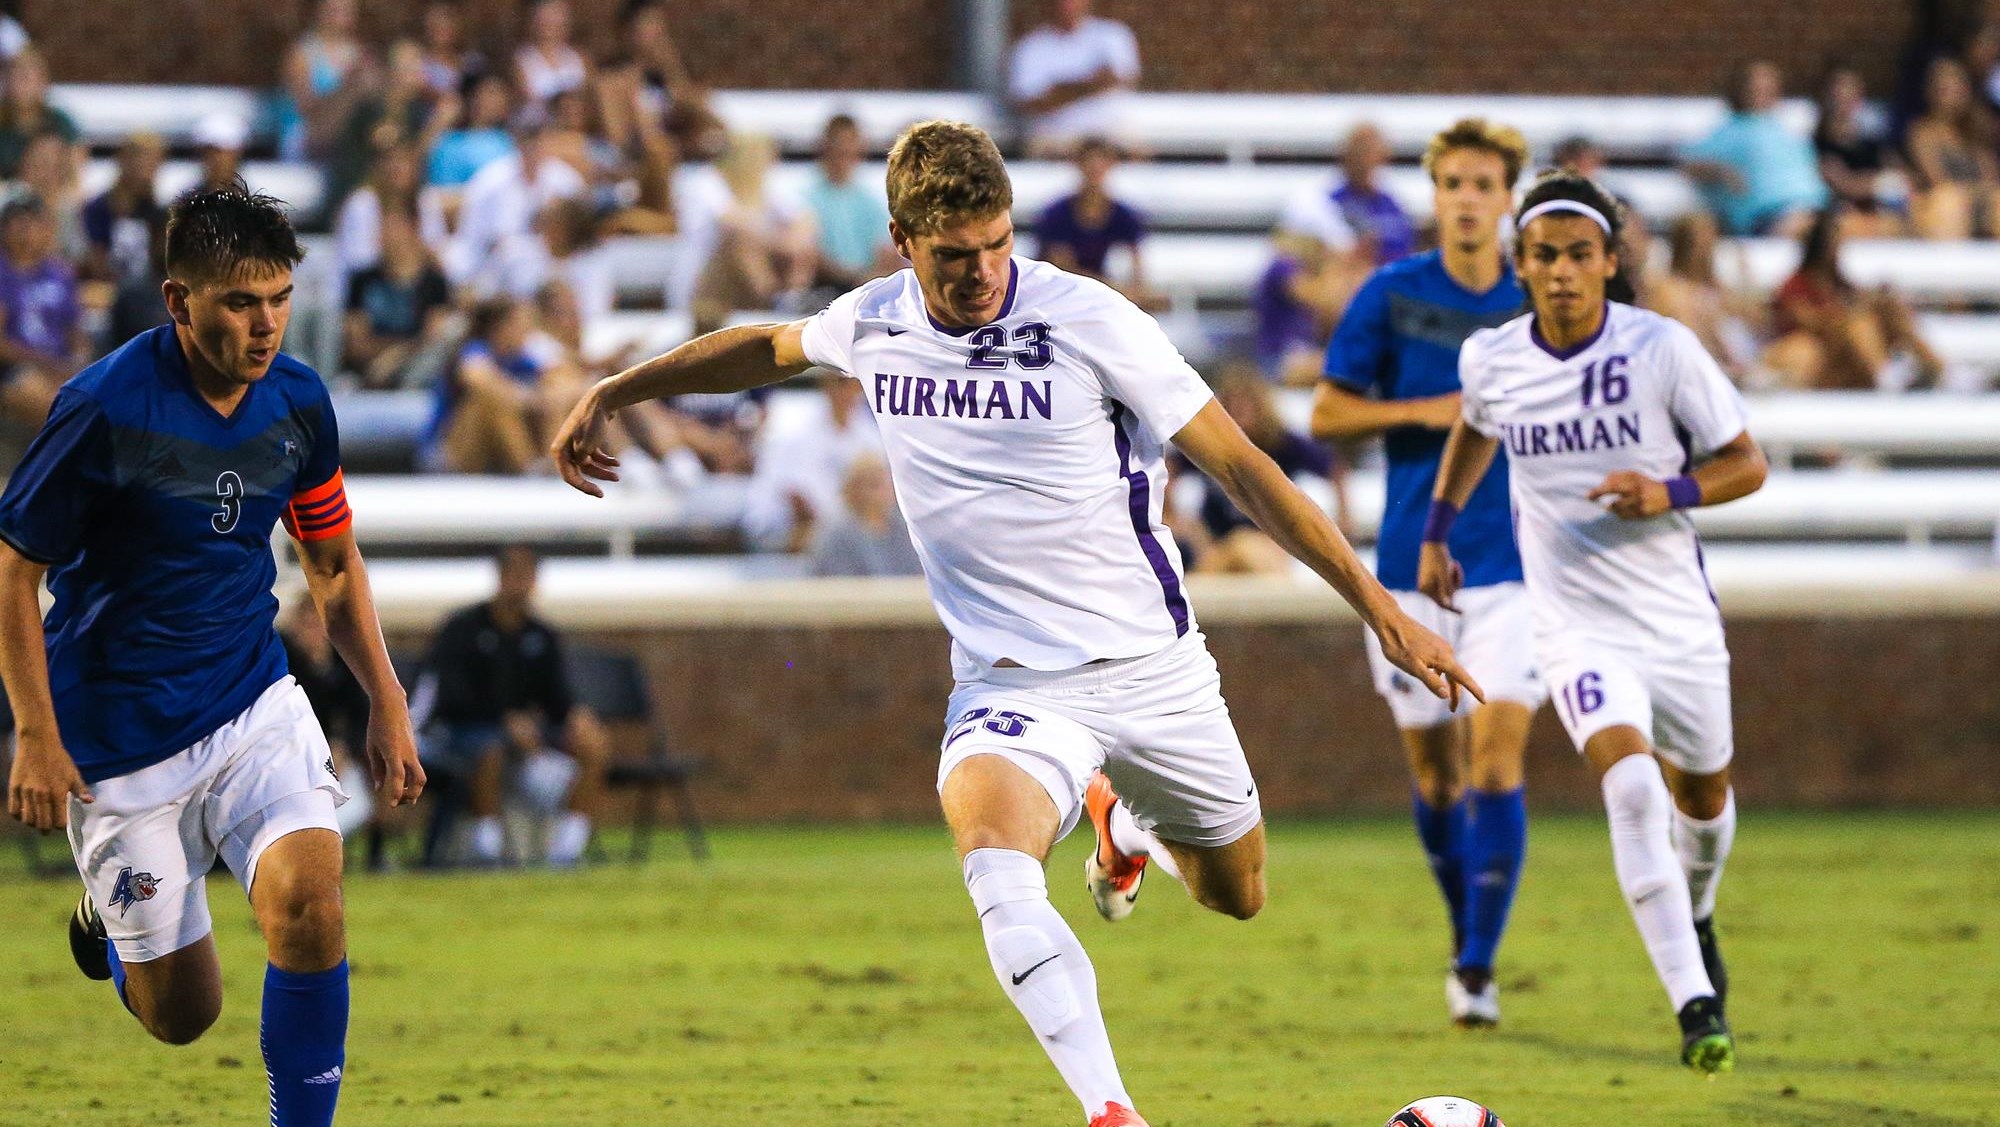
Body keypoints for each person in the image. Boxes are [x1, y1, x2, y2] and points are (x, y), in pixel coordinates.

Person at [549, 119, 1479, 1127]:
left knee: (1237, 891)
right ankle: (1110, 1107)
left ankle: (1123, 824)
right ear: (902, 239)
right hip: (1008, 682)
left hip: (1152, 665)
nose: (981, 271)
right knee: (994, 859)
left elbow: (1243, 468)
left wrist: (1377, 608)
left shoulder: (1091, 319)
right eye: (952, 255)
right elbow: (763, 349)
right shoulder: (873, 319)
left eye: (996, 245)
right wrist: (619, 384)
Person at [0, 185, 423, 1127]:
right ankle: (108, 926)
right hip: (116, 736)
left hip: (248, 700)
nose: (266, 322)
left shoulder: (300, 401)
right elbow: (12, 568)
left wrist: (385, 699)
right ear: (178, 299)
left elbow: (331, 564)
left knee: (311, 901)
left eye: (277, 297)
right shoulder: (102, 407)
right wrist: (35, 731)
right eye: (239, 301)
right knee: (184, 1015)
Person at [1421, 169, 1767, 1073]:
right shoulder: (1493, 357)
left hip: (1678, 622)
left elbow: (1747, 463)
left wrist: (1670, 490)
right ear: (1519, 266)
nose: (1564, 271)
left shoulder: (1663, 350)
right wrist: (1439, 528)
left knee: (1705, 800)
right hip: (1575, 624)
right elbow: (1475, 428)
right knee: (1631, 786)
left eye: (1581, 254)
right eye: (1545, 256)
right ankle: (1695, 1002)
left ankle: (1696, 909)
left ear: (1611, 262)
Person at [1309, 119, 1542, 1027]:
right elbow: (1326, 412)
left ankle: (1478, 970)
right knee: (1438, 777)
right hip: (1409, 566)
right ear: (1435, 193)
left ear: (1508, 196)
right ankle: (1467, 927)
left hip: (1518, 563)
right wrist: (1434, 409)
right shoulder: (1394, 294)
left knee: (1497, 757)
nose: (1470, 199)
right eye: (1454, 183)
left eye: (1486, 183)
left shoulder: (1543, 298)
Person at [415, 545, 607, 867]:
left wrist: (576, 716)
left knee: (594, 745)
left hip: (528, 743)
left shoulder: (541, 636)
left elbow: (556, 697)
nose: (519, 583)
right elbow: (448, 697)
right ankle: (488, 848)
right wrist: (503, 721)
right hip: (461, 733)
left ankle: (567, 850)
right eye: (512, 573)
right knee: (489, 749)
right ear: (500, 576)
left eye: (526, 575)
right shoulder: (463, 628)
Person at [1763, 207, 1943, 391]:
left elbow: (1858, 302)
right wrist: (1843, 315)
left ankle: (1935, 368)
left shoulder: (1839, 281)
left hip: (1849, 355)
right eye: (1835, 243)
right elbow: (1808, 321)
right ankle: (1885, 378)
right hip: (1823, 358)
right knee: (1859, 323)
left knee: (1889, 308)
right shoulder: (1795, 285)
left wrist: (1877, 299)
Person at [1188, 364, 1343, 575]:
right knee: (1232, 552)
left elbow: (1333, 468)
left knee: (1246, 550)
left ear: (1260, 407)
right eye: (1231, 407)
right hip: (1217, 543)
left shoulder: (1283, 444)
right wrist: (1177, 521)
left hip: (1270, 543)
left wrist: (1344, 522)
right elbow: (1171, 466)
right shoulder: (1210, 443)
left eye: (1244, 406)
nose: (1238, 413)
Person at [1680, 60, 1828, 237]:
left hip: (1818, 211)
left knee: (1846, 225)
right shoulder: (1730, 129)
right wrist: (1721, 171)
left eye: (1768, 88)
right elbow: (1689, 165)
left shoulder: (1788, 132)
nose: (1762, 93)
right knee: (1810, 228)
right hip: (1767, 219)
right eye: (1756, 88)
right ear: (1741, 91)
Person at [1033, 136, 1157, 307]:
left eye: (1101, 162)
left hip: (1097, 291)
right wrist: (1116, 289)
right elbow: (1062, 268)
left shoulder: (1123, 214)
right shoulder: (1057, 214)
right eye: (1088, 161)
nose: (1094, 168)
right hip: (1056, 295)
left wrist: (1134, 291)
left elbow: (1137, 267)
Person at [341, 209, 456, 390]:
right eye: (382, 228)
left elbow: (434, 338)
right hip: (367, 368)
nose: (386, 235)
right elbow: (357, 345)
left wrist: (395, 356)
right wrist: (384, 356)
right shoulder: (361, 280)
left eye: (394, 229)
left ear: (412, 232)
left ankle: (411, 390)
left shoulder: (434, 282)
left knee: (451, 331)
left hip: (414, 367)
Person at [1643, 211, 1762, 385]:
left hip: (1736, 362)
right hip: (1693, 367)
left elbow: (1757, 324)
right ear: (1684, 244)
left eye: (1711, 237)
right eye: (1699, 238)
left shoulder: (1720, 289)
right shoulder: (1667, 288)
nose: (1707, 244)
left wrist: (1746, 280)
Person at [0, 193, 89, 426]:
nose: (25, 230)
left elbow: (75, 330)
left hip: (60, 364)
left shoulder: (61, 273)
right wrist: (46, 363)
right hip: (15, 369)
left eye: (32, 221)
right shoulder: (2, 273)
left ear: (47, 228)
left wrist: (80, 362)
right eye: (17, 222)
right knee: (59, 407)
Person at [1009, 0, 1141, 156]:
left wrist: (1060, 90)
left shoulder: (1112, 35)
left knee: (1137, 147)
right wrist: (1092, 83)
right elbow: (1030, 103)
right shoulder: (1030, 47)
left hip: (1109, 134)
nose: (1067, 4)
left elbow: (1122, 78)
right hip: (1057, 138)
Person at [1282, 123, 1417, 267]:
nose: (1366, 159)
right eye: (1362, 150)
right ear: (1345, 154)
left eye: (1373, 151)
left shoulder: (1392, 202)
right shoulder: (1320, 200)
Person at [1904, 56, 2000, 239]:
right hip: (1940, 204)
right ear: (1934, 91)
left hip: (1979, 203)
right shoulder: (1922, 132)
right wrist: (1973, 193)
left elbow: (1991, 177)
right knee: (1951, 201)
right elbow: (1937, 180)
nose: (1955, 94)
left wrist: (1982, 194)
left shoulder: (1974, 130)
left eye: (1959, 88)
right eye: (1948, 88)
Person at [805, 113, 897, 292]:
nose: (843, 158)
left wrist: (865, 279)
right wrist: (846, 277)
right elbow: (810, 252)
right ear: (825, 148)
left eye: (849, 151)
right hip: (821, 284)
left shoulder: (871, 201)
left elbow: (884, 249)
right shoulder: (805, 196)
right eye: (839, 150)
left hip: (864, 283)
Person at [1812, 64, 1906, 237]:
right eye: (1838, 89)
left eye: (1851, 89)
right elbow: (1845, 185)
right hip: (1844, 217)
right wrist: (1880, 182)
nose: (1843, 95)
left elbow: (1902, 177)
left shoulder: (1873, 144)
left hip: (1884, 214)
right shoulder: (1817, 145)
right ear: (1826, 96)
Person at [808, 454, 924, 577]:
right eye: (874, 485)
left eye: (887, 483)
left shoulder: (904, 529)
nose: (885, 491)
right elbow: (838, 582)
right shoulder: (838, 535)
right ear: (855, 490)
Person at [81, 133, 167, 286]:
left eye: (151, 161)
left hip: (150, 292)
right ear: (122, 160)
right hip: (107, 289)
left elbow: (164, 263)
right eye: (137, 158)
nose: (142, 168)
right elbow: (94, 259)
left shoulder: (160, 212)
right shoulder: (98, 209)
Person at [0, 47, 80, 179]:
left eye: (24, 78)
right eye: (11, 77)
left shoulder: (59, 124)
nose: (16, 85)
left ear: (42, 81)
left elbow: (75, 177)